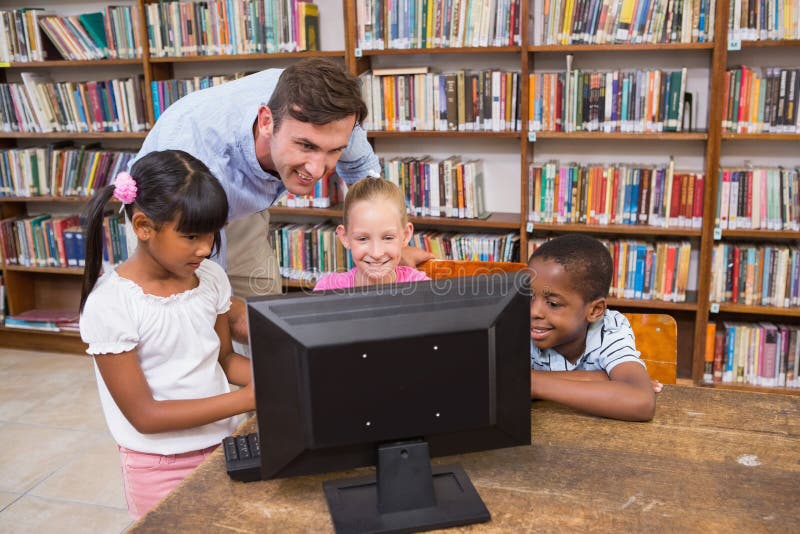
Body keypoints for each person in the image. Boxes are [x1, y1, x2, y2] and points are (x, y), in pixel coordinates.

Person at [132, 58, 432, 341]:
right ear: (266, 122)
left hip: (242, 202)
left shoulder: (330, 112)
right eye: (305, 145)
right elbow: (199, 285)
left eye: (333, 150)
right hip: (176, 214)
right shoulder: (200, 156)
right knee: (199, 322)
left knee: (265, 312)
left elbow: (361, 171)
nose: (317, 170)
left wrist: (388, 243)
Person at [79, 150, 255, 519]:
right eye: (191, 235)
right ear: (143, 227)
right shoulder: (111, 304)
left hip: (224, 447)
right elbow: (146, 415)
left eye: (211, 234)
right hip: (158, 469)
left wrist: (280, 378)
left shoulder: (209, 279)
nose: (206, 248)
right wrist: (249, 400)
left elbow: (223, 360)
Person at [528, 234, 659, 422]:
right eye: (528, 297)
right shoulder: (518, 326)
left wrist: (532, 383)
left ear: (595, 310)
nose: (533, 312)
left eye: (553, 304)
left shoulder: (609, 329)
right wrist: (602, 379)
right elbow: (495, 383)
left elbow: (640, 401)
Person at [314, 178, 430, 289]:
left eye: (388, 238)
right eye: (363, 238)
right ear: (345, 237)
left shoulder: (423, 288)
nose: (376, 253)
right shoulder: (327, 289)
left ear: (405, 235)